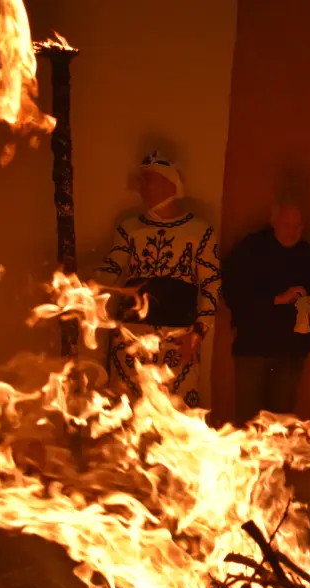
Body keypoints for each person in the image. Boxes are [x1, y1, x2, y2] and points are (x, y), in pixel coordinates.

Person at [97, 151, 220, 407]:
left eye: (148, 180)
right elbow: (112, 268)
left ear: (170, 183)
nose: (141, 187)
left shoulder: (200, 232)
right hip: (131, 334)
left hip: (177, 335)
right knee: (126, 409)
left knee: (176, 412)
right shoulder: (129, 228)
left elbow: (211, 283)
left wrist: (198, 332)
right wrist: (86, 290)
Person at [222, 196, 310, 425]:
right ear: (273, 220)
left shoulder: (308, 258)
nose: (293, 231)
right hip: (252, 349)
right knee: (247, 423)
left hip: (290, 354)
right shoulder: (251, 250)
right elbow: (234, 294)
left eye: (298, 226)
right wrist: (277, 299)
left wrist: (307, 303)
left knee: (280, 425)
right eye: (287, 225)